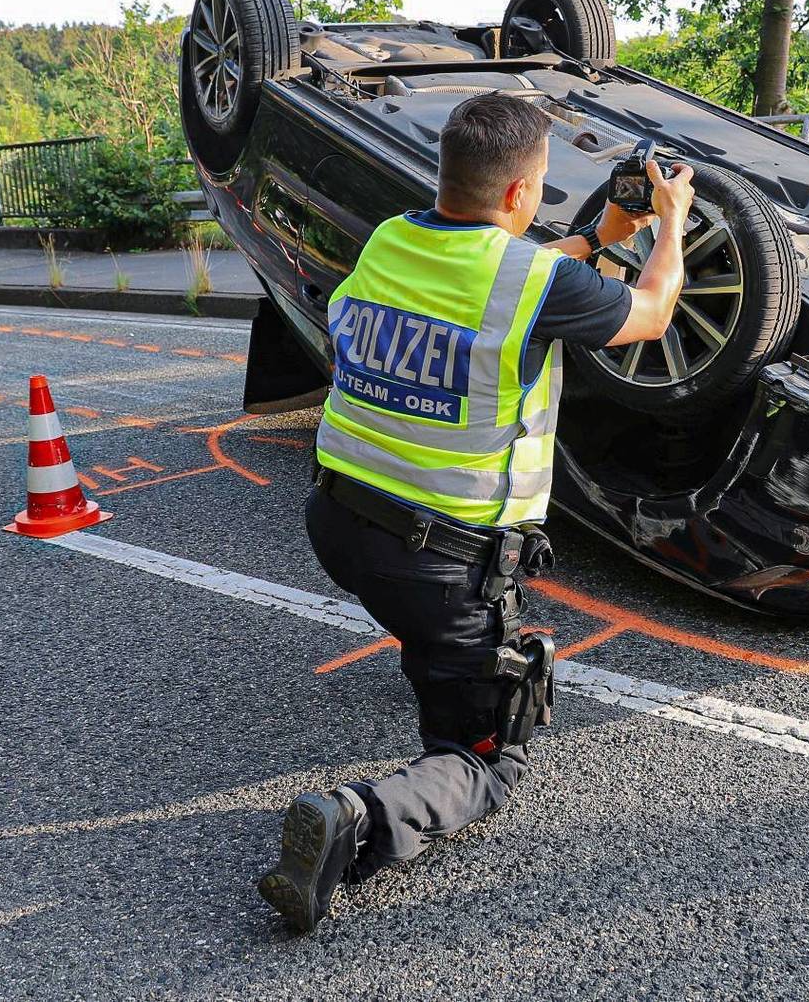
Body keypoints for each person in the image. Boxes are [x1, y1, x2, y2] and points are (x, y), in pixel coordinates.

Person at [256, 91, 695, 934]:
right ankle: (357, 821)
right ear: (520, 196)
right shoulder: (535, 281)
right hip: (435, 562)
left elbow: (505, 276)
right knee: (491, 758)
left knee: (435, 640)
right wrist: (668, 222)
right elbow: (653, 311)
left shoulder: (394, 241)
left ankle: (440, 667)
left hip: (336, 522)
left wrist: (601, 239)